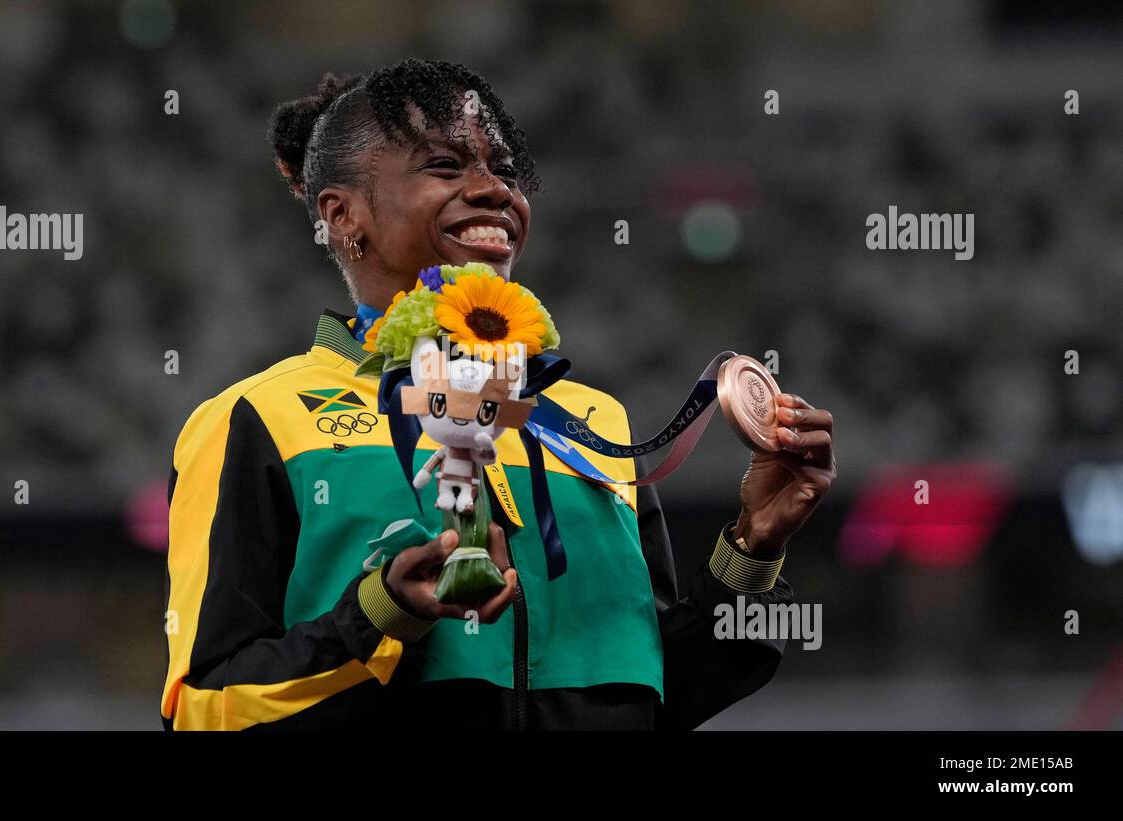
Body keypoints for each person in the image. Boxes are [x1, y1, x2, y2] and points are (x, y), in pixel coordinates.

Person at [160, 58, 836, 731]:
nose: (493, 190)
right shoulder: (259, 420)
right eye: (445, 166)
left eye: (505, 171)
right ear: (344, 216)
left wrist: (754, 546)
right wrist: (380, 614)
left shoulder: (591, 424)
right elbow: (201, 711)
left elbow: (657, 694)